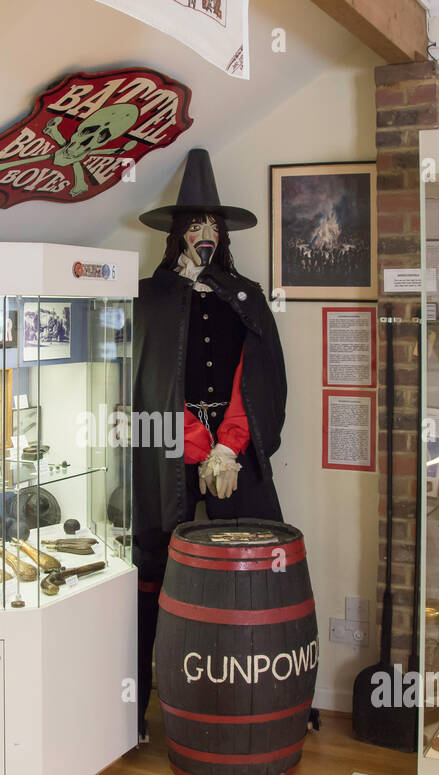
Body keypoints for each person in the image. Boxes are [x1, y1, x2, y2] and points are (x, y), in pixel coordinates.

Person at [132, 149, 288, 741]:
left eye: (212, 226)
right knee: (151, 565)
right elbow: (148, 386)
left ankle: (261, 697)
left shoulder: (245, 296)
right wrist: (195, 446)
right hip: (169, 448)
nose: (204, 234)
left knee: (253, 560)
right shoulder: (150, 298)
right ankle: (135, 709)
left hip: (235, 450)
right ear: (176, 234)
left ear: (223, 237)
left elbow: (262, 378)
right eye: (193, 225)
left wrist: (228, 448)